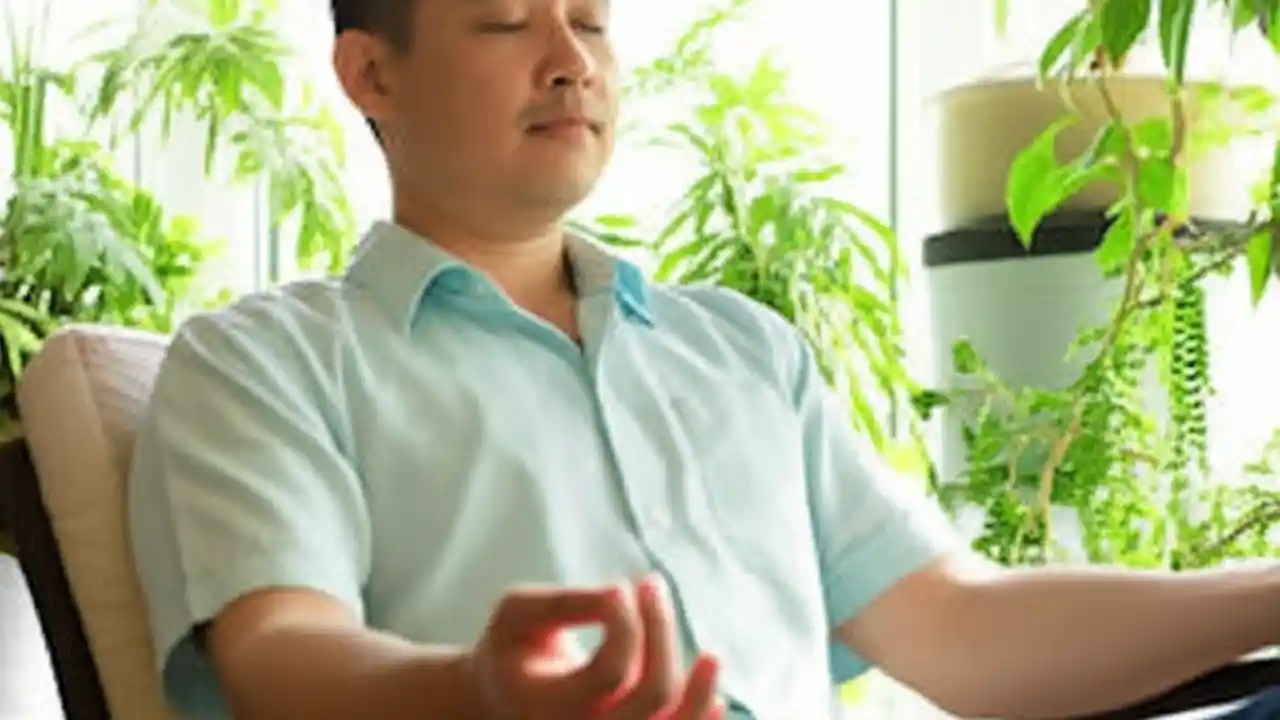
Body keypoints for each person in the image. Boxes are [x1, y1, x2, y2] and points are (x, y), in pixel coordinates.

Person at [125, 0, 1280, 718]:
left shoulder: (738, 348)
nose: (571, 58)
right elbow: (282, 658)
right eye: (505, 22)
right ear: (371, 74)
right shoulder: (267, 362)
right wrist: (471, 694)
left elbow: (956, 630)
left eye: (590, 17)